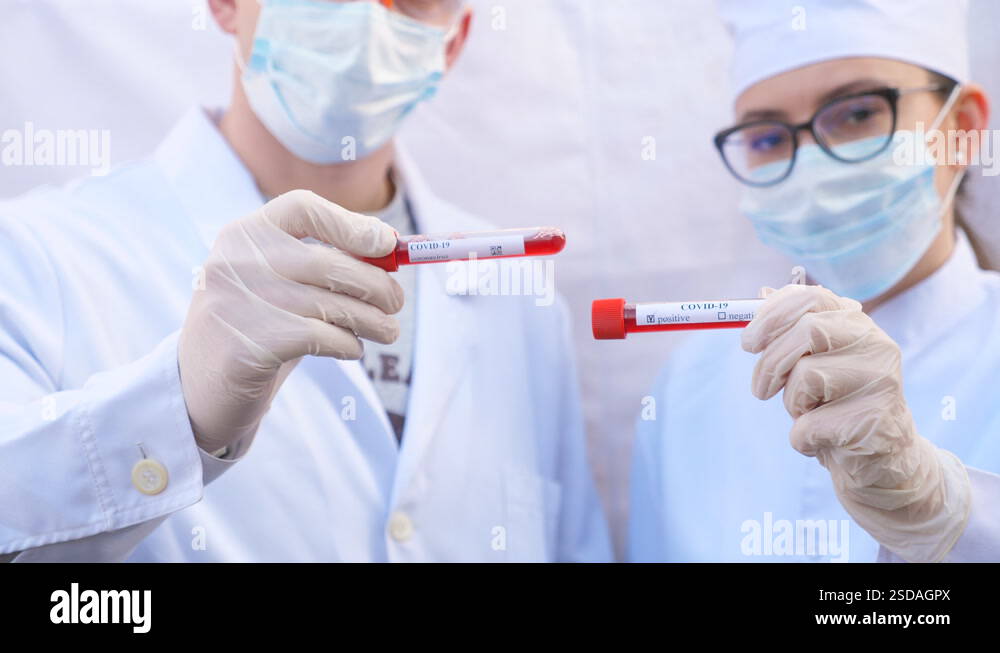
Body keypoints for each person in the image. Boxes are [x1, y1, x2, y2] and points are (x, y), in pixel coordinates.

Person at [0, 0, 611, 562]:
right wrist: (181, 416)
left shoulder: (522, 305)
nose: (366, 24)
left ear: (452, 42)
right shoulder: (36, 259)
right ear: (226, 6)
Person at [629, 0, 1000, 563]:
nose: (810, 167)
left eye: (856, 114)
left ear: (963, 127)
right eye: (766, 138)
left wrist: (946, 517)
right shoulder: (688, 390)